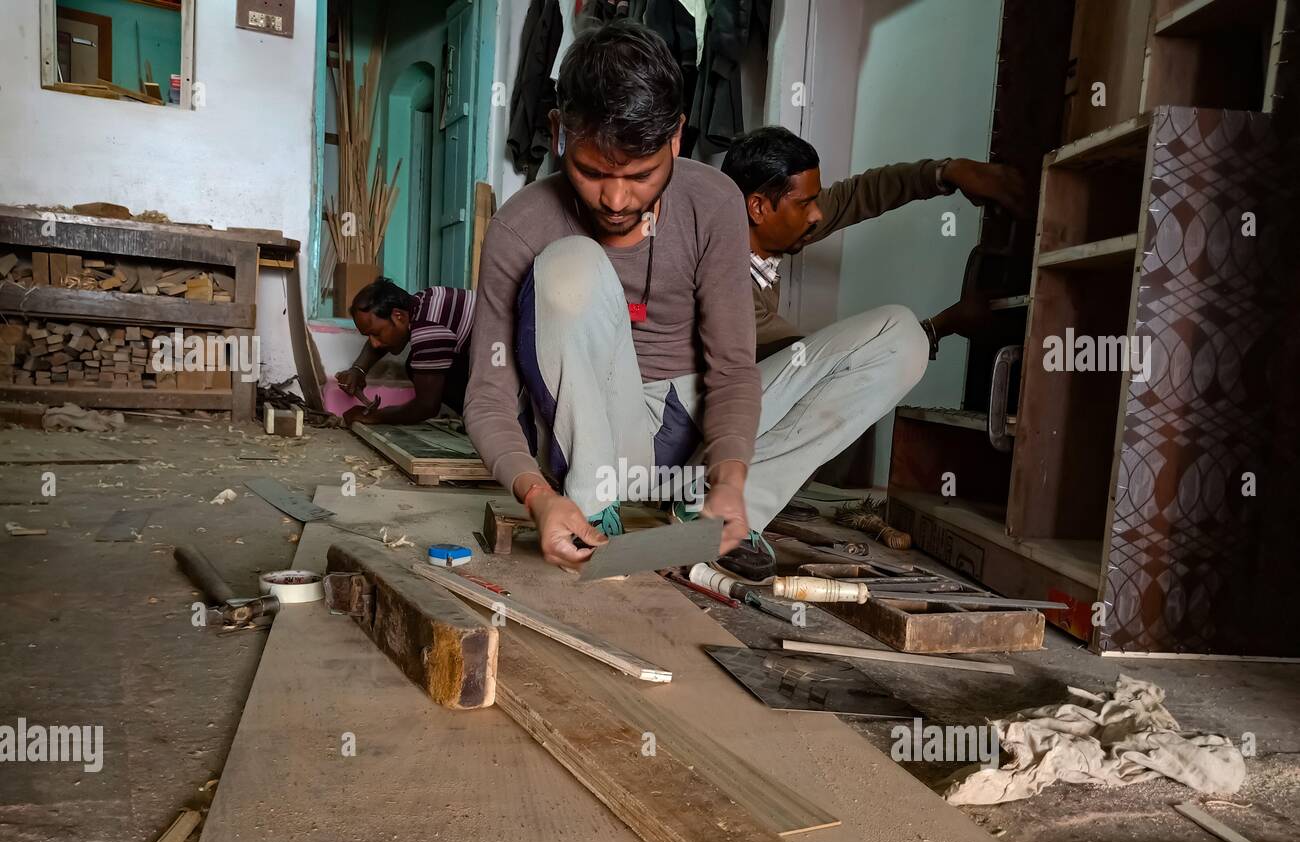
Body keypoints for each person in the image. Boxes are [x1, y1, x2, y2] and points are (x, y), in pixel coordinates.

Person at [464, 21, 934, 582]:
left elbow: (734, 370)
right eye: (591, 172)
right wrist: (539, 497)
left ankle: (719, 518)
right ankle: (590, 511)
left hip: (696, 432)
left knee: (901, 338)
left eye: (640, 175)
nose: (615, 199)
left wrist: (729, 478)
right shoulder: (521, 225)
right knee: (570, 264)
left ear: (676, 139)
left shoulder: (714, 201)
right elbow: (489, 396)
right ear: (559, 131)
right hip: (604, 442)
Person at [720, 125, 1027, 361]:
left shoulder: (751, 234)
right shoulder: (730, 296)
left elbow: (857, 195)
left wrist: (949, 172)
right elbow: (830, 365)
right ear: (758, 207)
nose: (817, 213)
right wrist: (942, 326)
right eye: (804, 204)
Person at [335, 278, 475, 426]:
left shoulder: (428, 328)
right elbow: (381, 340)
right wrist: (358, 369)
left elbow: (427, 406)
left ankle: (484, 421)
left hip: (499, 366)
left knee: (417, 368)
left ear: (398, 316)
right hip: (495, 360)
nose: (374, 343)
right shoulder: (423, 301)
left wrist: (375, 417)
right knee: (415, 366)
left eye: (376, 333)